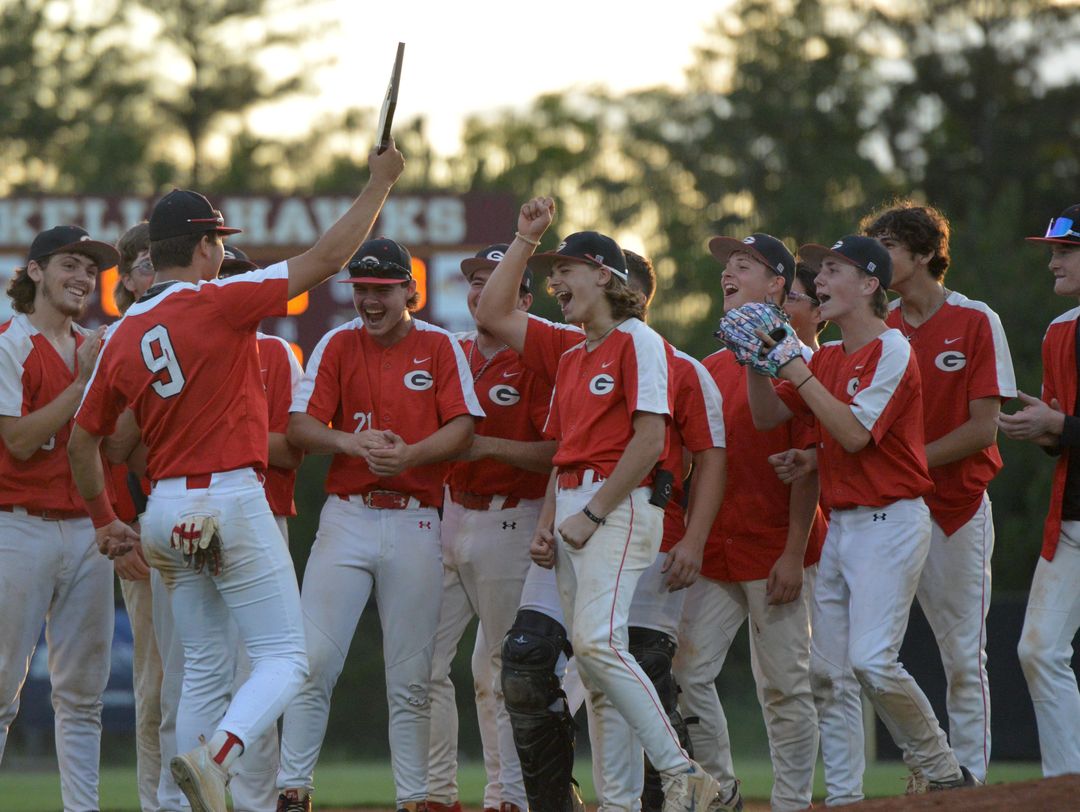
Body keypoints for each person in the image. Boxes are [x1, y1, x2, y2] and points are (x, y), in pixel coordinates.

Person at [69, 142, 405, 812]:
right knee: (287, 659)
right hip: (228, 497)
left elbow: (83, 442)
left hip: (162, 511)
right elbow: (328, 258)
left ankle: (175, 803)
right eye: (217, 241)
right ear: (199, 248)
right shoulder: (218, 301)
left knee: (203, 669)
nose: (222, 252)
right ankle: (218, 758)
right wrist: (379, 186)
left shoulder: (125, 332)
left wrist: (106, 519)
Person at [475, 197, 723, 811]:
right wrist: (525, 240)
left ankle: (682, 772)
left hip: (621, 503)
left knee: (595, 644)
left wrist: (590, 515)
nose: (555, 280)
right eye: (553, 270)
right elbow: (565, 452)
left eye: (567, 269)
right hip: (575, 505)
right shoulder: (571, 355)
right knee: (596, 670)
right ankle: (619, 802)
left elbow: (648, 442)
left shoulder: (637, 339)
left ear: (605, 277)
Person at [737, 234, 977, 803]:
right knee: (828, 675)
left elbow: (851, 433)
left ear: (870, 285)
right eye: (820, 272)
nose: (818, 279)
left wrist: (792, 365)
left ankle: (940, 764)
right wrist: (755, 358)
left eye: (834, 270)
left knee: (871, 661)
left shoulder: (892, 349)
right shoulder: (826, 357)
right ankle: (845, 796)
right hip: (843, 524)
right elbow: (768, 416)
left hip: (891, 521)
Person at [277, 237, 484, 812]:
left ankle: (414, 799)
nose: (369, 301)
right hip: (348, 517)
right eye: (362, 290)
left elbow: (464, 428)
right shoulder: (336, 343)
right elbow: (299, 425)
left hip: (417, 519)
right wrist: (348, 440)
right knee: (313, 661)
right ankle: (293, 791)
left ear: (409, 291)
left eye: (382, 290)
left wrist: (410, 456)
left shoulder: (439, 345)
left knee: (412, 677)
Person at [673, 233, 824, 812]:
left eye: (745, 265)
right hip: (715, 547)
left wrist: (793, 550)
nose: (728, 273)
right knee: (686, 673)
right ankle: (723, 790)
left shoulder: (803, 361)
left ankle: (791, 802)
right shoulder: (711, 365)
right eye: (726, 266)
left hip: (775, 546)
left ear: (779, 285)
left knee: (785, 684)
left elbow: (809, 465)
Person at [866, 201, 1016, 783]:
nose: (876, 258)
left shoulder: (976, 319)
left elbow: (984, 428)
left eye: (889, 245)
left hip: (956, 510)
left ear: (926, 253)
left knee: (961, 659)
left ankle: (969, 782)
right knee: (870, 658)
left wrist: (905, 465)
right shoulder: (880, 329)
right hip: (890, 513)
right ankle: (931, 765)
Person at [426, 245, 555, 812]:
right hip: (449, 512)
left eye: (496, 281)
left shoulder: (539, 360)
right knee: (421, 661)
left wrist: (483, 444)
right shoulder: (450, 352)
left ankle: (510, 796)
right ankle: (432, 793)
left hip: (510, 514)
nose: (482, 291)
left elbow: (558, 452)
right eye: (476, 281)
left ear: (522, 299)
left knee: (502, 665)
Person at [0, 225, 118, 812]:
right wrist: (82, 384)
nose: (83, 278)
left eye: (91, 270)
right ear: (36, 271)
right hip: (17, 524)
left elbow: (114, 446)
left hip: (84, 528)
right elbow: (19, 441)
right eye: (70, 264)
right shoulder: (9, 341)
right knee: (2, 689)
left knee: (82, 695)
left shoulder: (95, 345)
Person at [998, 203, 1080, 777]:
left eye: (1065, 250)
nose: (1052, 260)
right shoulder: (1060, 331)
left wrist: (1061, 428)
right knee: (1039, 649)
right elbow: (1063, 429)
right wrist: (1047, 431)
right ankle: (1065, 788)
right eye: (1054, 250)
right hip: (1072, 519)